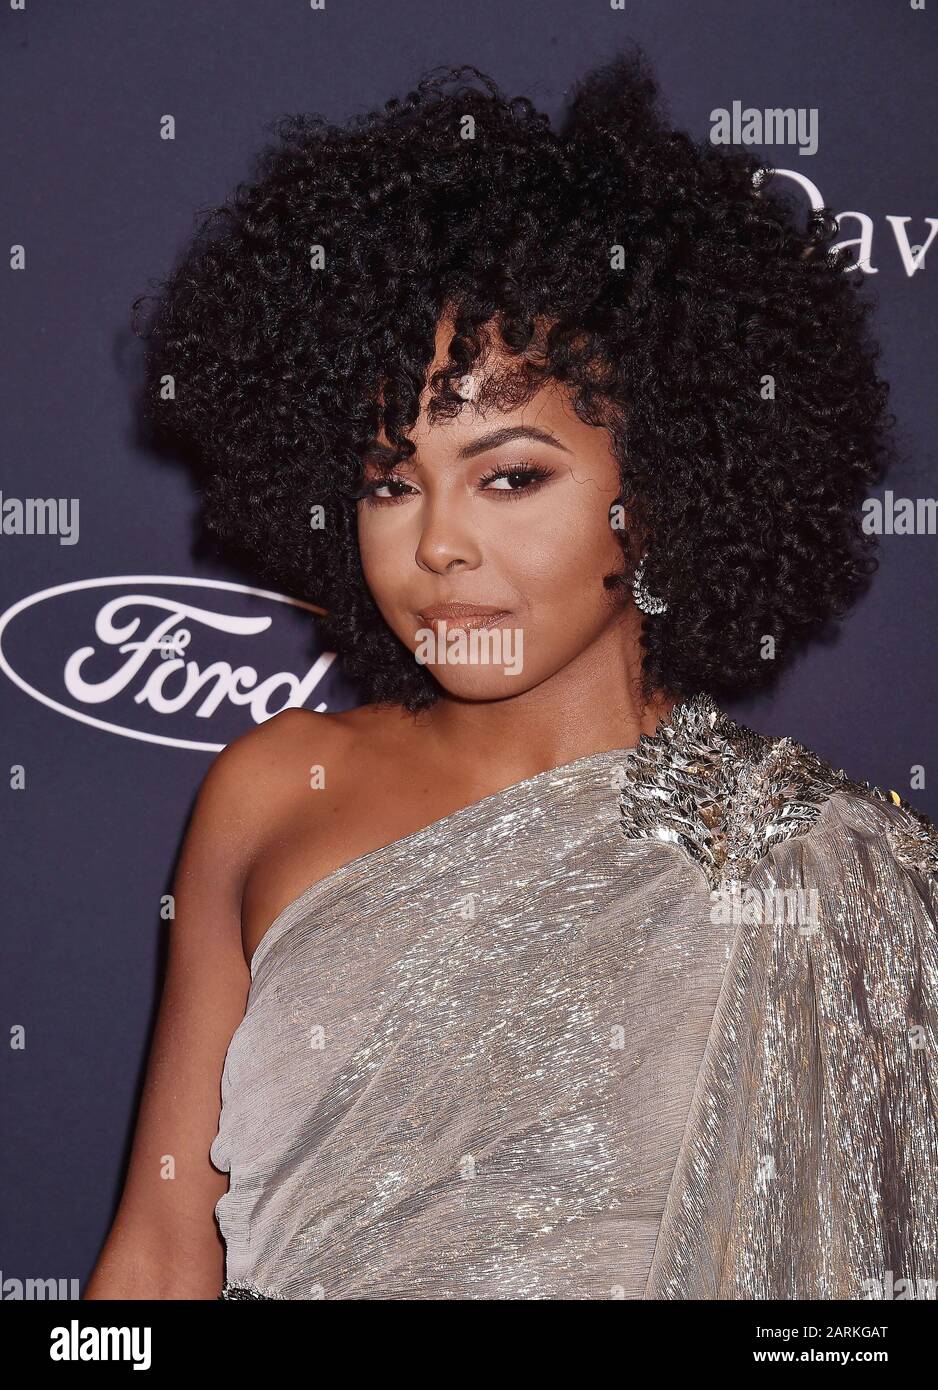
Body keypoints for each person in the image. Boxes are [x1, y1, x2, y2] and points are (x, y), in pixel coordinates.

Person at [85, 49, 938, 1301]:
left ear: (655, 494)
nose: (435, 542)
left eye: (510, 474)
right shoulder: (272, 790)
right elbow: (159, 1260)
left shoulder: (828, 865)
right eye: (390, 481)